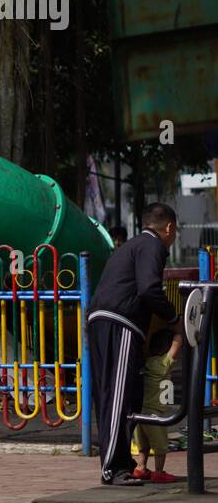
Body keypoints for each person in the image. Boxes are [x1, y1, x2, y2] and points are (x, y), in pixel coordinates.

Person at [87, 202, 185, 486]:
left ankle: (121, 463)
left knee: (125, 396)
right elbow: (149, 289)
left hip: (105, 320)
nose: (173, 238)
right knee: (118, 397)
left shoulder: (132, 246)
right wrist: (174, 318)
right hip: (120, 323)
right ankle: (113, 468)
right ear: (169, 228)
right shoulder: (152, 246)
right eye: (174, 232)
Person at [131, 327, 184, 483]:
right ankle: (159, 472)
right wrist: (181, 328)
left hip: (140, 413)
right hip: (154, 415)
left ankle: (140, 468)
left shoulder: (146, 362)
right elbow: (178, 344)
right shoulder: (162, 364)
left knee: (143, 444)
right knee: (160, 445)